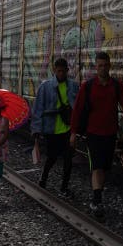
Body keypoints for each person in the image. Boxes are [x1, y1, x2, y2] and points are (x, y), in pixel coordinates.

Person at [70, 52, 123, 219]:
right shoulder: (88, 86)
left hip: (110, 133)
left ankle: (97, 197)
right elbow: (77, 109)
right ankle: (97, 200)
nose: (103, 68)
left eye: (105, 65)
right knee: (97, 166)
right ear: (96, 67)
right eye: (100, 66)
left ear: (110, 66)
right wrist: (73, 132)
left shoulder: (116, 86)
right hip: (93, 133)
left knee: (105, 167)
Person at [31, 57, 79, 195]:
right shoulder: (45, 87)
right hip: (52, 129)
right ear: (54, 70)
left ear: (67, 70)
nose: (61, 74)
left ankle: (64, 187)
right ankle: (43, 178)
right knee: (52, 157)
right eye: (59, 71)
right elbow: (38, 109)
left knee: (68, 159)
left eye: (63, 71)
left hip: (67, 128)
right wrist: (36, 129)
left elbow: (78, 107)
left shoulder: (73, 86)